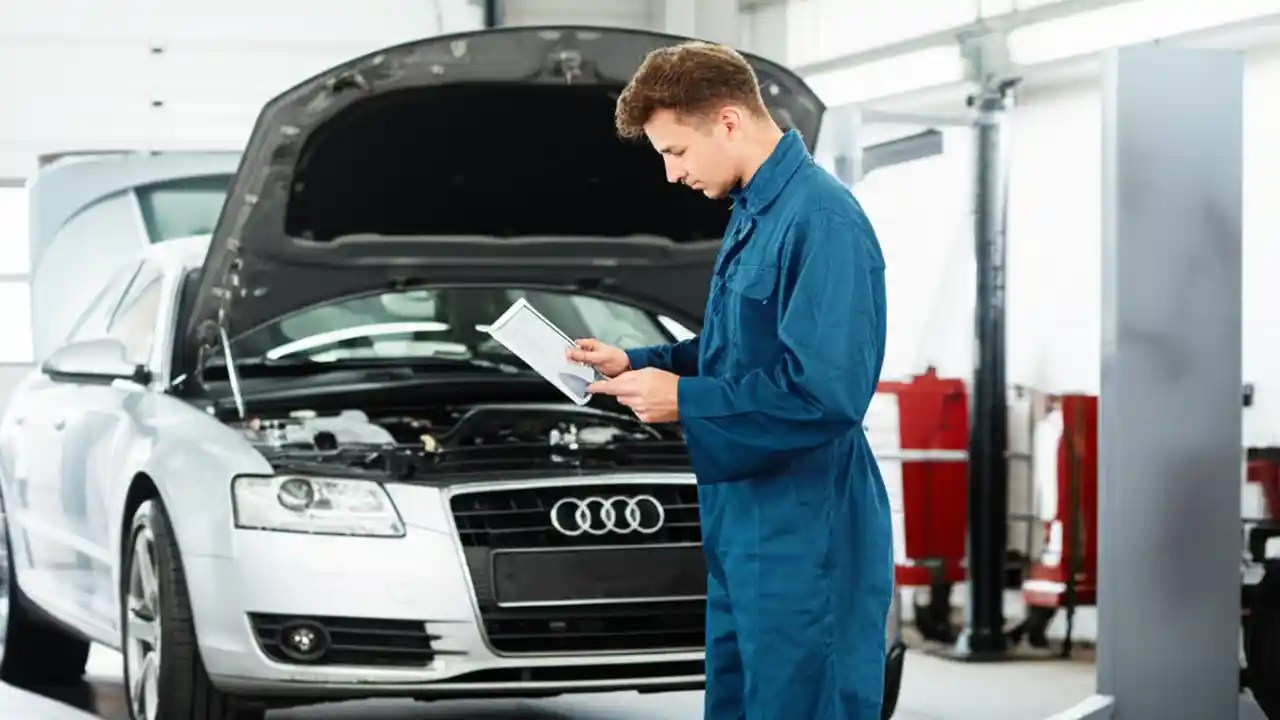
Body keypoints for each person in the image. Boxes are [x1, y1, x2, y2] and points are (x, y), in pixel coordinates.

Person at [566, 41, 894, 720]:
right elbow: (733, 352)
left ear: (728, 122)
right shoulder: (755, 214)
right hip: (745, 521)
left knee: (802, 706)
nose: (670, 174)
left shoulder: (822, 221)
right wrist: (640, 362)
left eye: (675, 152)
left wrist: (682, 399)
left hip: (809, 528)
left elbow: (825, 394)